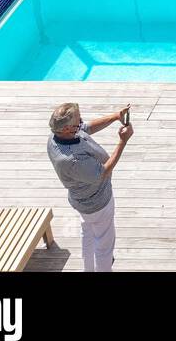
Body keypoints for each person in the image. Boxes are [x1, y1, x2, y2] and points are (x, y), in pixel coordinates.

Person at [47, 102, 133, 271]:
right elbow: (103, 172)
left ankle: (88, 269)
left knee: (88, 234)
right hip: (97, 203)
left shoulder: (58, 136)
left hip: (81, 202)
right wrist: (123, 141)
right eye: (78, 121)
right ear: (66, 129)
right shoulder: (71, 159)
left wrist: (115, 116)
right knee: (104, 246)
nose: (81, 123)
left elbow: (86, 127)